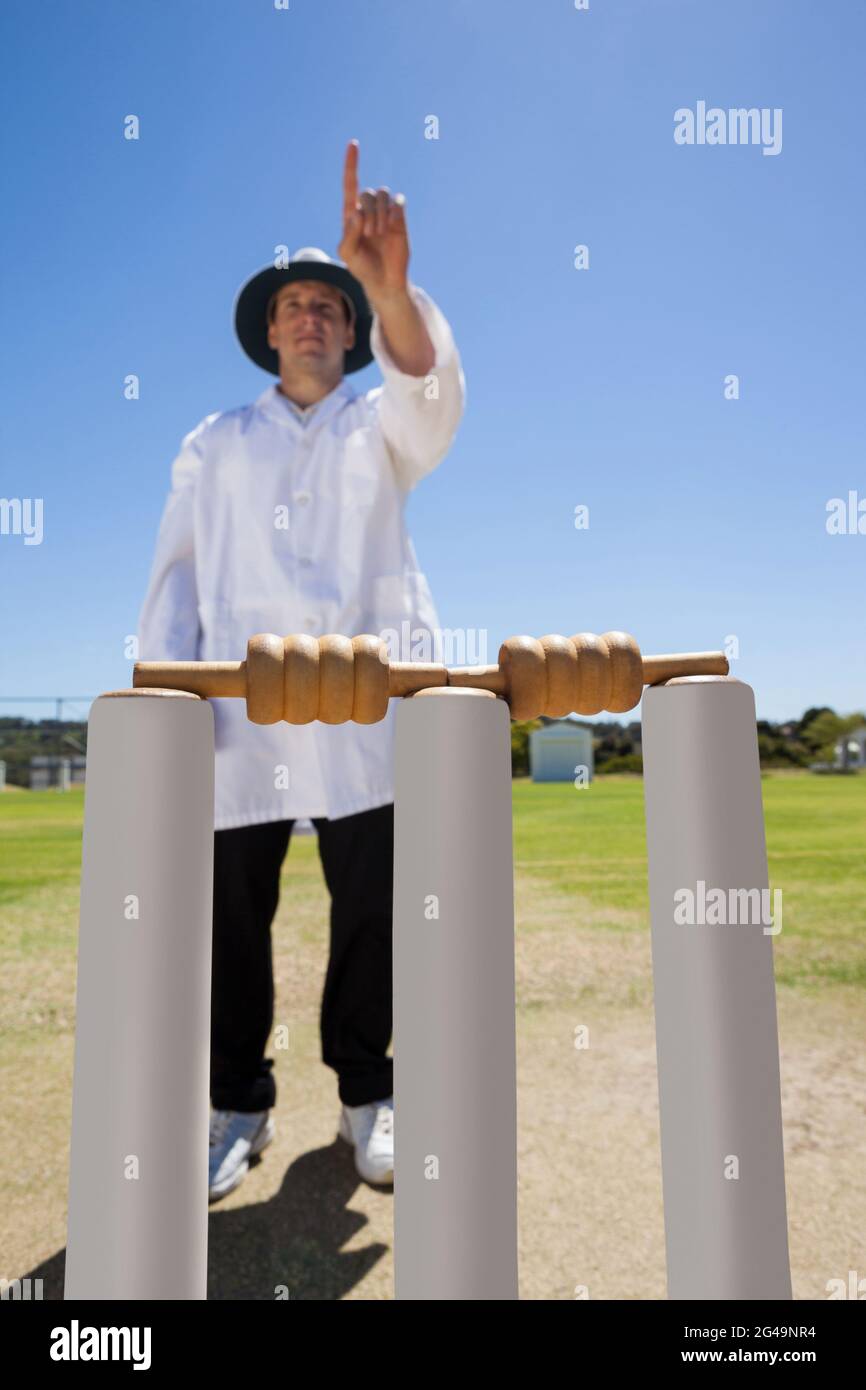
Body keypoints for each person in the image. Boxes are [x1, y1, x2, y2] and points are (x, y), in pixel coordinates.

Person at [137, 140, 465, 1201]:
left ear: (350, 328)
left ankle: (369, 1099)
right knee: (231, 925)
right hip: (240, 721)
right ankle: (238, 1105)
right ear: (269, 332)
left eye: (332, 302)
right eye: (295, 306)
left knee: (370, 918)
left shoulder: (382, 426)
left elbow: (435, 398)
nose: (312, 316)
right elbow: (177, 577)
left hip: (367, 714)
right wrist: (169, 700)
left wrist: (391, 285)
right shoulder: (215, 440)